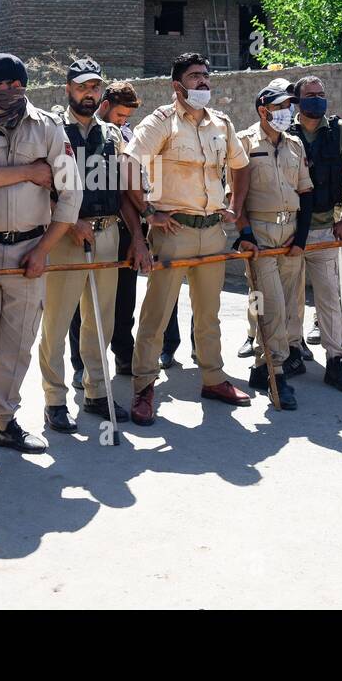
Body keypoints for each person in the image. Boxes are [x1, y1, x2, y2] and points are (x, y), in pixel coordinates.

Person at [0, 53, 82, 475]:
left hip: (30, 250)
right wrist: (29, 171)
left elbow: (70, 193)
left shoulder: (47, 126)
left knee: (17, 344)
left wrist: (43, 251)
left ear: (16, 87)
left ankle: (4, 423)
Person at [124, 53, 253, 425]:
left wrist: (235, 206)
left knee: (208, 313)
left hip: (212, 231)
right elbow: (129, 164)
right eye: (195, 76)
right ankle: (144, 387)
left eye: (206, 76)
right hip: (173, 232)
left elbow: (240, 166)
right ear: (176, 85)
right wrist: (148, 212)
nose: (203, 83)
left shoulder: (222, 124)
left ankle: (213, 378)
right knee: (156, 315)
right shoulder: (161, 122)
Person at [37, 60, 149, 433]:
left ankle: (96, 393)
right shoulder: (53, 130)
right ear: (68, 88)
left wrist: (137, 238)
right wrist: (67, 220)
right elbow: (40, 186)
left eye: (96, 87)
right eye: (83, 86)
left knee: (99, 321)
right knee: (55, 323)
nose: (90, 93)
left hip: (107, 235)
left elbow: (122, 195)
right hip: (65, 237)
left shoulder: (112, 135)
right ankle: (54, 401)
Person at [231, 83, 315, 410]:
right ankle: (276, 372)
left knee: (286, 304)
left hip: (290, 231)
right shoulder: (244, 142)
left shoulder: (294, 144)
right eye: (280, 107)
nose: (287, 113)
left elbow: (306, 191)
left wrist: (302, 236)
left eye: (289, 107)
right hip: (260, 232)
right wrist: (245, 233)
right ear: (263, 110)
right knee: (269, 304)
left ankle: (258, 364)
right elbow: (234, 195)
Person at [286, 75, 342, 391]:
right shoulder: (286, 132)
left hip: (325, 230)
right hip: (290, 231)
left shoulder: (339, 131)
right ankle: (292, 351)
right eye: (310, 94)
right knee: (290, 298)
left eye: (321, 94)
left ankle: (337, 361)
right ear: (297, 99)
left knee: (331, 299)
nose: (317, 98)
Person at [69, 80, 143, 381]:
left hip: (120, 227)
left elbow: (130, 185)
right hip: (83, 228)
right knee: (80, 303)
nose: (123, 121)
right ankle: (80, 366)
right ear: (104, 106)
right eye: (119, 115)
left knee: (123, 298)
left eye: (127, 117)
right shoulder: (78, 135)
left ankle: (124, 354)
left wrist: (140, 230)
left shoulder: (124, 137)